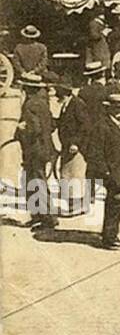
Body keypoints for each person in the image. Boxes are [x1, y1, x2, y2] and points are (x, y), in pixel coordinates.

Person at [84, 91, 120, 249]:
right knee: (117, 204)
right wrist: (106, 173)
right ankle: (109, 237)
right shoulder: (102, 126)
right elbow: (94, 153)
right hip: (112, 173)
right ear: (111, 109)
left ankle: (111, 234)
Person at [15, 71, 58, 231]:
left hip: (35, 150)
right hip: (44, 148)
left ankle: (46, 219)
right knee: (35, 182)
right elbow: (52, 125)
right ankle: (38, 217)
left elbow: (34, 129)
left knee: (36, 183)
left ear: (26, 88)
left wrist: (21, 129)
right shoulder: (42, 102)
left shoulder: (29, 105)